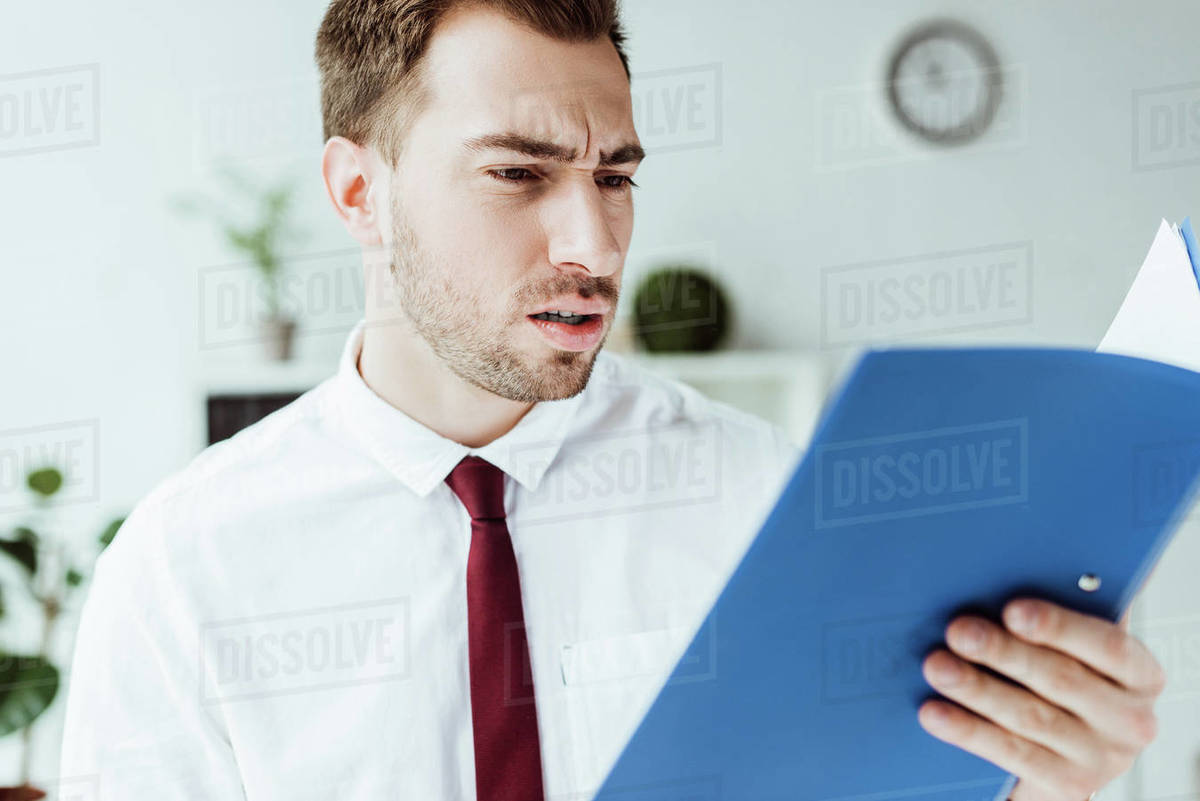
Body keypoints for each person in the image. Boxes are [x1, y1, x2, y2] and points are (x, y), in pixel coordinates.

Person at [59, 1, 1165, 799]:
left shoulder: (772, 505)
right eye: (518, 174)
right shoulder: (182, 573)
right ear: (361, 193)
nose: (595, 244)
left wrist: (1046, 784)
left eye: (616, 177)